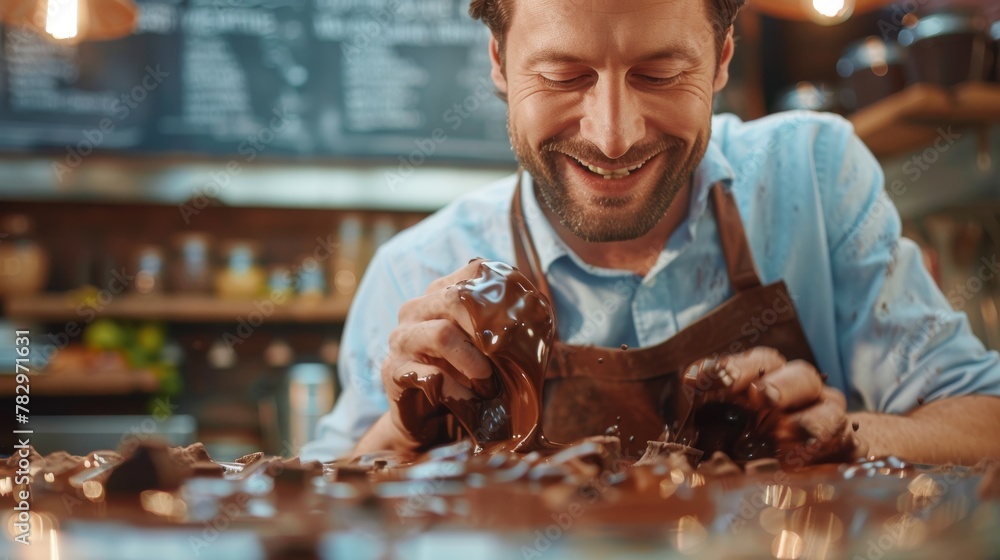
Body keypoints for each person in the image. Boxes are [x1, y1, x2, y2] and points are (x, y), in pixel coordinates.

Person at [301, 0, 1000, 464]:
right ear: (498, 64)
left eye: (661, 74)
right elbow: (320, 514)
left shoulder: (812, 178)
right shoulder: (414, 270)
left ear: (723, 56)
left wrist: (843, 436)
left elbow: (986, 426)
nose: (613, 137)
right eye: (564, 75)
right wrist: (402, 434)